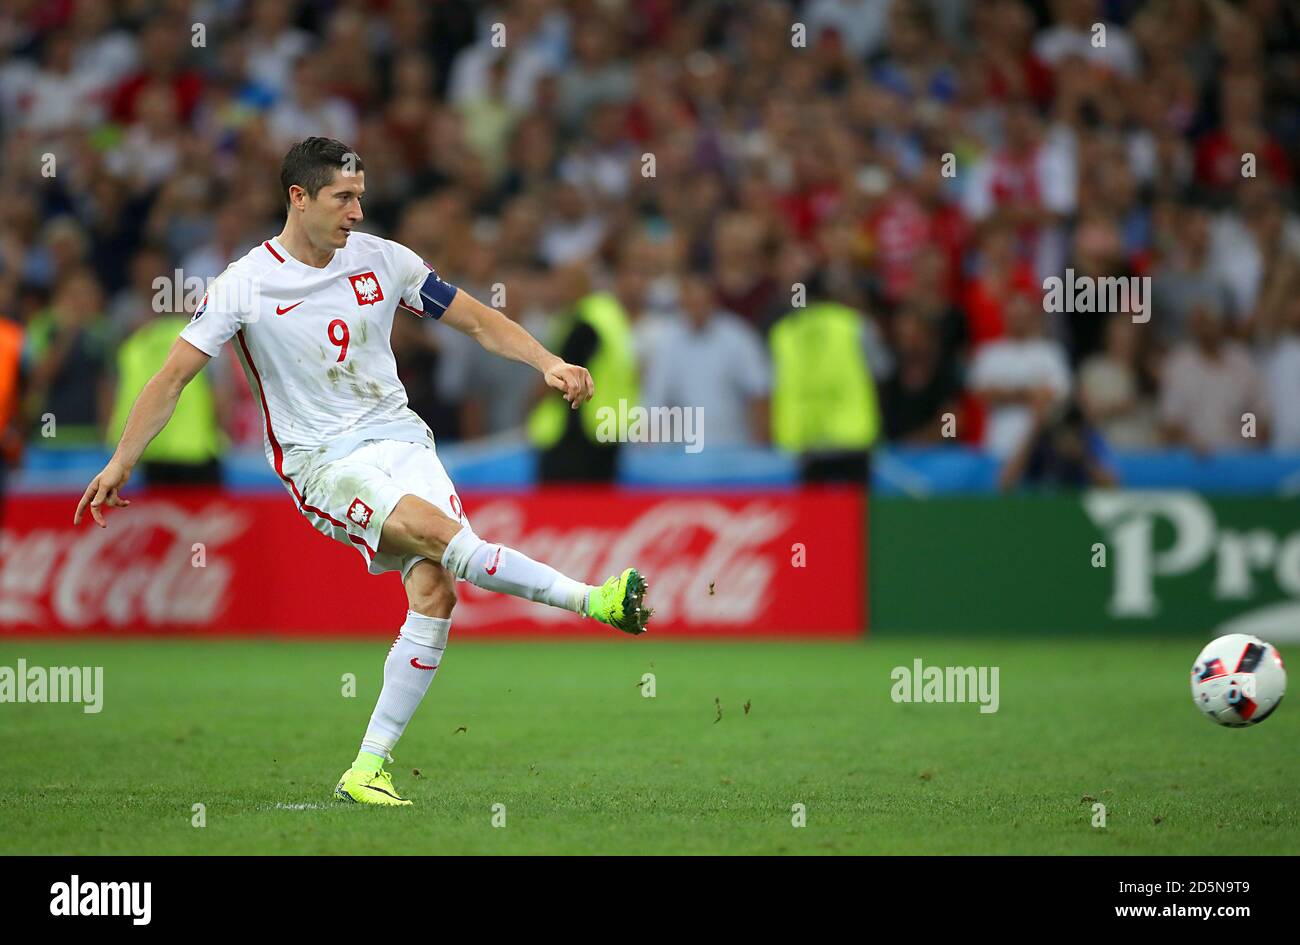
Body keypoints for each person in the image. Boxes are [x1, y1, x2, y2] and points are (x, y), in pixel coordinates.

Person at [73, 138, 653, 807]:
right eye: (342, 198)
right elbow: (173, 376)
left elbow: (474, 318)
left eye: (360, 197)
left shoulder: (385, 259)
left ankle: (367, 767)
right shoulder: (245, 284)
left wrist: (546, 361)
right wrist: (121, 460)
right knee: (442, 539)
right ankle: (595, 601)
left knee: (436, 590)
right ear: (299, 197)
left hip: (402, 439)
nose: (356, 211)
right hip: (323, 460)